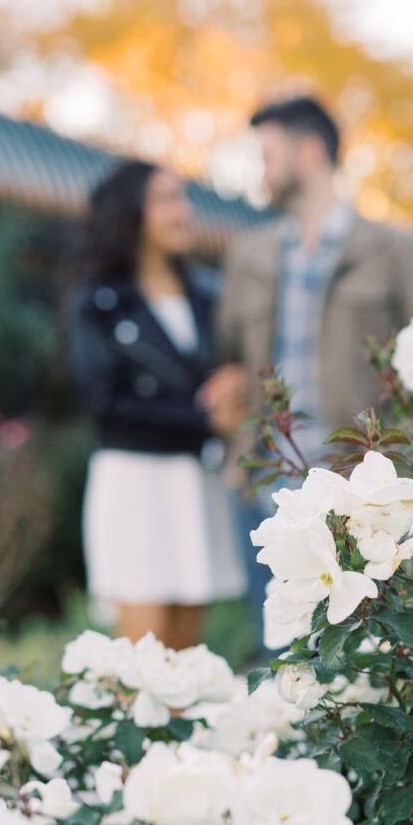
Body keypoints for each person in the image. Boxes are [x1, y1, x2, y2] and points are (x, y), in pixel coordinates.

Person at [217, 95, 413, 640]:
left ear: (309, 151)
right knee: (283, 657)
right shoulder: (246, 256)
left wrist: (403, 470)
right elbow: (227, 361)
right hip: (269, 494)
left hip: (366, 503)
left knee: (369, 663)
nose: (262, 169)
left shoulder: (399, 251)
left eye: (268, 154)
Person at [66, 161, 248, 649]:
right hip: (135, 482)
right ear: (131, 215)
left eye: (182, 198)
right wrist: (203, 419)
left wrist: (235, 384)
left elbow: (229, 370)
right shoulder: (99, 302)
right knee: (144, 665)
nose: (182, 212)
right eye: (165, 199)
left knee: (188, 663)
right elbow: (103, 406)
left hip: (195, 478)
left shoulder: (208, 294)